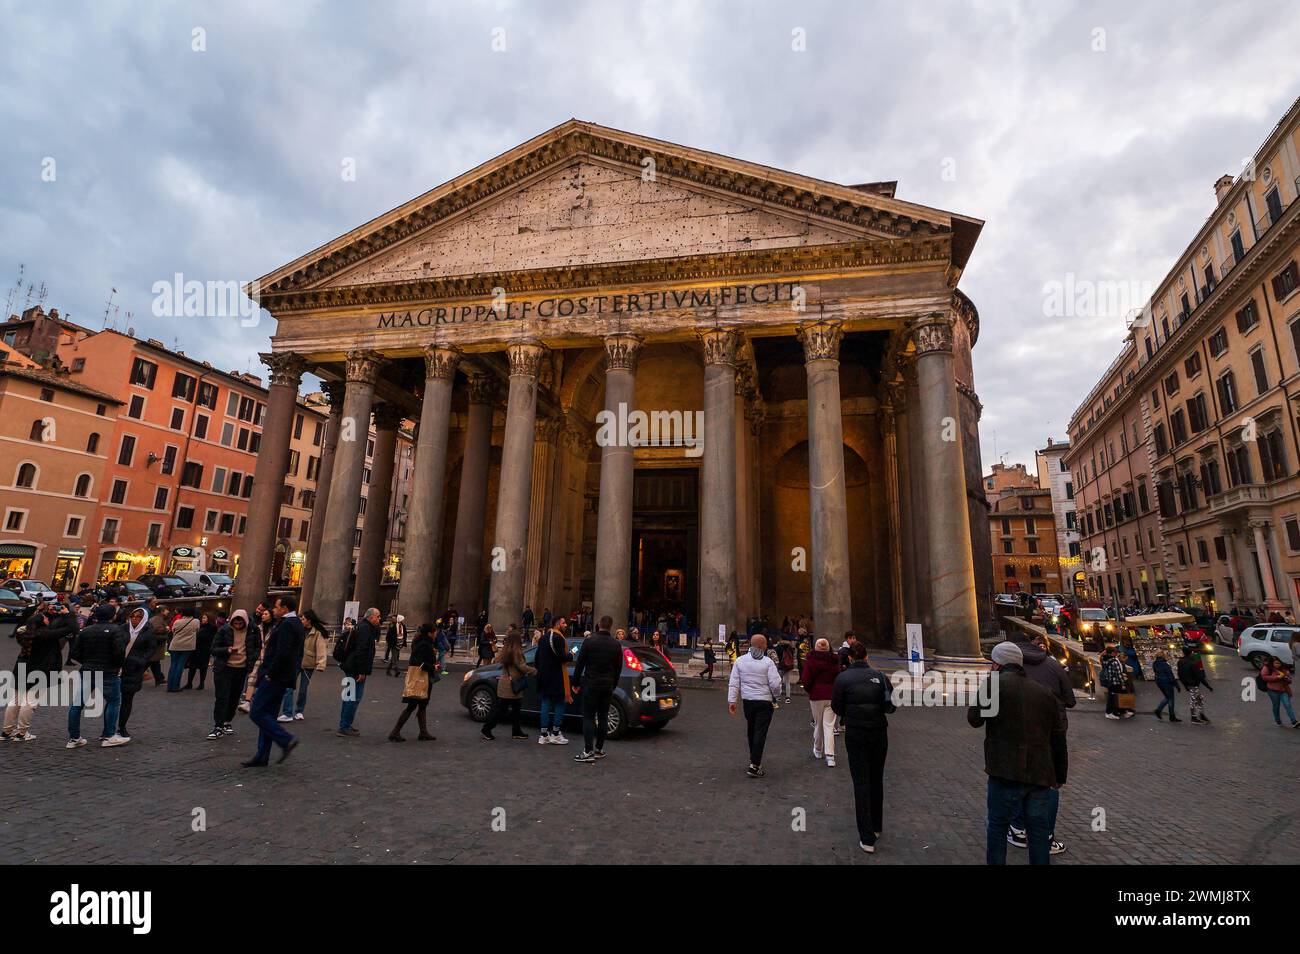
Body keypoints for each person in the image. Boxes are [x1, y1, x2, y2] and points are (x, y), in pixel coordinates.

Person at [968, 642, 1067, 865]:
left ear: (997, 664)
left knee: (998, 828)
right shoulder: (1045, 693)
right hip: (1040, 774)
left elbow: (974, 719)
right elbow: (1058, 738)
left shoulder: (994, 686)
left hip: (1005, 771)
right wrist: (1060, 776)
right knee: (1039, 833)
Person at [1007, 636, 1075, 856]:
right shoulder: (1054, 665)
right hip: (1051, 729)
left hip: (1020, 730)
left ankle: (1018, 830)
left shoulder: (1015, 667)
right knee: (1050, 783)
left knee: (1020, 778)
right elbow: (1071, 699)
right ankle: (1045, 836)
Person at [831, 641, 896, 853]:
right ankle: (876, 826)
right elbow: (890, 707)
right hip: (878, 732)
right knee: (876, 778)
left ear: (849, 658)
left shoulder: (843, 678)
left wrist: (850, 714)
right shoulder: (882, 677)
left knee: (861, 782)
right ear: (867, 657)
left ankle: (867, 837)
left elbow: (836, 706)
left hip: (856, 733)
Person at [242, 595, 304, 768]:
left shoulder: (287, 625)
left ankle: (286, 739)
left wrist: (270, 673)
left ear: (284, 608)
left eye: (276, 607)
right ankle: (262, 755)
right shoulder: (295, 624)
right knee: (267, 715)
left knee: (257, 712)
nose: (274, 610)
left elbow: (283, 652)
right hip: (283, 677)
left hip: (275, 676)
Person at [3, 603, 73, 743]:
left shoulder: (23, 633)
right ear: (41, 622)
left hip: (21, 667)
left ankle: (6, 731)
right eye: (45, 618)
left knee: (15, 701)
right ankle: (22, 733)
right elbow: (70, 628)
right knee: (30, 702)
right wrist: (67, 613)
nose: (48, 620)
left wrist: (42, 612)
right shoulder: (45, 634)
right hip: (39, 670)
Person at [67, 604, 128, 747]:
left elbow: (75, 653)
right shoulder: (116, 630)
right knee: (113, 702)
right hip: (108, 672)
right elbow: (119, 652)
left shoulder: (86, 631)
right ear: (113, 616)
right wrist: (117, 665)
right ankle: (109, 735)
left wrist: (87, 661)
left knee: (77, 704)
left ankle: (74, 738)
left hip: (88, 669)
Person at [727, 632, 782, 778]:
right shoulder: (767, 662)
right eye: (764, 644)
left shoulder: (740, 661)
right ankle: (755, 764)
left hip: (748, 701)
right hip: (764, 701)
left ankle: (754, 758)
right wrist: (776, 696)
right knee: (760, 732)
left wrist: (732, 701)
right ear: (761, 645)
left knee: (752, 730)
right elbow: (775, 684)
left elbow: (734, 683)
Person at [571, 618, 622, 762]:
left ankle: (588, 751)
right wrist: (614, 684)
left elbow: (580, 664)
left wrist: (575, 682)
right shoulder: (616, 645)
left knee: (588, 717)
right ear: (611, 627)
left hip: (591, 684)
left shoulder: (589, 641)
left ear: (599, 625)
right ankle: (599, 749)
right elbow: (618, 668)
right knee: (603, 717)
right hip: (607, 685)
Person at [481, 628, 535, 742]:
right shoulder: (516, 652)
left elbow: (497, 661)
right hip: (511, 685)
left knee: (515, 709)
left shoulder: (506, 651)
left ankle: (516, 731)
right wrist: (534, 671)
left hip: (506, 684)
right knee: (502, 710)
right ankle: (487, 728)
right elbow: (522, 667)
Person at [390, 623, 437, 742]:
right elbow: (419, 662)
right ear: (429, 633)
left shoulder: (421, 642)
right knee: (412, 706)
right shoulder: (424, 645)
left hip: (422, 677)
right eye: (434, 632)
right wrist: (432, 667)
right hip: (421, 678)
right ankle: (395, 732)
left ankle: (423, 732)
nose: (436, 634)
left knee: (422, 705)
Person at [117, 606, 159, 741]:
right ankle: (109, 728)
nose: (134, 619)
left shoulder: (149, 632)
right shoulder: (122, 628)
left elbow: (151, 650)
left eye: (138, 617)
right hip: (116, 669)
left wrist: (140, 663)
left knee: (127, 700)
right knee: (113, 701)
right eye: (133, 616)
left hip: (133, 671)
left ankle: (122, 727)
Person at [208, 609, 249, 739]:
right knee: (222, 697)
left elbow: (256, 646)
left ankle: (227, 721)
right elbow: (213, 648)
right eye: (235, 623)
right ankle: (218, 726)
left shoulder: (252, 631)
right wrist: (227, 650)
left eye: (240, 624)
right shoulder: (224, 630)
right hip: (224, 668)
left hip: (241, 669)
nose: (237, 626)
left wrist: (251, 661)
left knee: (234, 698)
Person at [337, 607, 378, 736]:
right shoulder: (365, 629)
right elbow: (361, 651)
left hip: (350, 666)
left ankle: (345, 724)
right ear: (370, 617)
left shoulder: (360, 626)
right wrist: (362, 671)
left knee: (348, 696)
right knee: (353, 698)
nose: (379, 618)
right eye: (378, 616)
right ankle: (345, 726)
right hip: (356, 669)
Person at [280, 608, 327, 722]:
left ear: (309, 621)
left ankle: (299, 711)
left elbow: (321, 648)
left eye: (303, 619)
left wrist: (321, 664)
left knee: (303, 689)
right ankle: (287, 712)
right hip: (295, 661)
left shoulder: (316, 633)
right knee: (288, 687)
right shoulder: (298, 630)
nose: (301, 620)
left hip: (308, 663)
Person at [800, 637, 840, 766]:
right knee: (829, 725)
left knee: (818, 724)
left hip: (816, 695)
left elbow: (805, 680)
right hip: (831, 695)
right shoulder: (834, 661)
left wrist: (811, 690)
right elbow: (839, 677)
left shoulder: (811, 661)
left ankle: (818, 749)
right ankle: (830, 756)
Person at [534, 618, 571, 745]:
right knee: (560, 702)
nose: (566, 625)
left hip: (544, 676)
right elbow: (562, 657)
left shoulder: (544, 638)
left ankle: (543, 734)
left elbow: (537, 657)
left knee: (545, 703)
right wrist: (571, 654)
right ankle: (555, 733)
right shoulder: (559, 638)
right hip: (557, 676)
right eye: (563, 623)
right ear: (557, 624)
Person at [1177, 644, 1213, 724]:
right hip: (1193, 683)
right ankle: (1194, 717)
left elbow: (1180, 674)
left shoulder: (1180, 662)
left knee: (1199, 698)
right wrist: (1208, 686)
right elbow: (1199, 676)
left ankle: (1201, 714)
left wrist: (1185, 685)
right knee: (1194, 700)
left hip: (1188, 683)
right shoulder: (1192, 663)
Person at [166, 607, 199, 692]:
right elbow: (197, 630)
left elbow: (173, 630)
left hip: (175, 645)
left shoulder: (177, 622)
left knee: (173, 665)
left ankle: (169, 686)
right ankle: (175, 686)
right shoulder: (196, 622)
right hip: (187, 646)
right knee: (180, 666)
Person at [1259, 656, 1297, 728]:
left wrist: (1286, 678)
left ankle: (1294, 721)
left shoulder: (1284, 670)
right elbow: (1264, 677)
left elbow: (1290, 680)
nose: (1277, 665)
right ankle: (1278, 721)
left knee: (1287, 705)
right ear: (1272, 663)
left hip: (1283, 690)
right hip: (1272, 691)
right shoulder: (1267, 668)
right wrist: (1277, 677)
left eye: (1279, 663)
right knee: (1276, 706)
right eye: (1276, 663)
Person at [184, 611, 216, 690]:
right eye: (202, 618)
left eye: (204, 618)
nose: (202, 619)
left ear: (209, 619)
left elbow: (207, 637)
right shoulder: (200, 626)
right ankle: (189, 683)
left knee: (203, 667)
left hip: (204, 649)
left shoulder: (212, 627)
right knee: (192, 666)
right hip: (196, 649)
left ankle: (201, 684)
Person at [1099, 644, 1132, 719]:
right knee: (1117, 697)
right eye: (1115, 652)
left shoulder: (1104, 659)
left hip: (1108, 681)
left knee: (1113, 697)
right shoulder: (1114, 662)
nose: (1116, 654)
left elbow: (1101, 657)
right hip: (1115, 682)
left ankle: (1119, 711)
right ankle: (1113, 712)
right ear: (1112, 653)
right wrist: (1123, 683)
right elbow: (1119, 674)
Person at [1152, 651, 1181, 723]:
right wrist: (1176, 685)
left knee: (1167, 697)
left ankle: (1160, 711)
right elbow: (1170, 676)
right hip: (1166, 682)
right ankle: (1170, 715)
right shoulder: (1165, 665)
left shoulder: (1155, 663)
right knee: (1170, 698)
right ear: (1163, 657)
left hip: (1159, 681)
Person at [775, 635, 797, 704]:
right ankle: (788, 698)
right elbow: (793, 655)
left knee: (778, 681)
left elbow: (776, 656)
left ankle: (778, 696)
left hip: (781, 666)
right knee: (787, 682)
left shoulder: (778, 647)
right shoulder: (790, 647)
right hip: (788, 666)